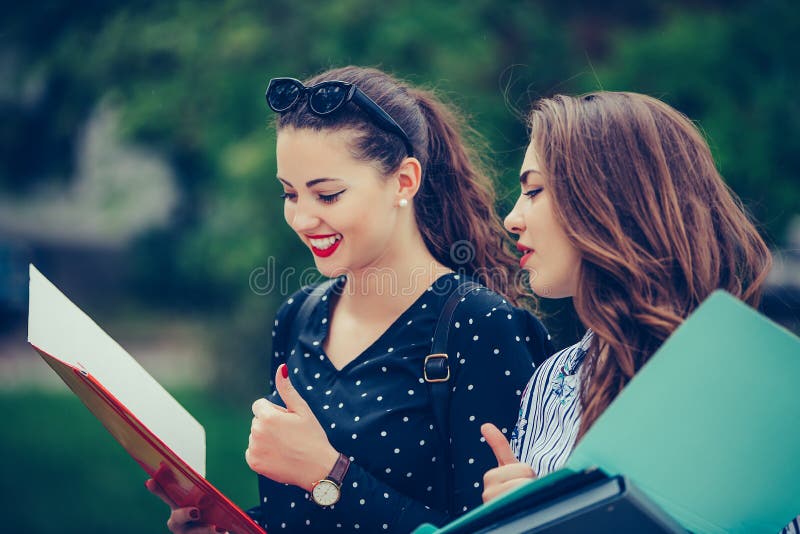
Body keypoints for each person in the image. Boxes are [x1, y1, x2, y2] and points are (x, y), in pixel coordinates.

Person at [147, 66, 554, 533]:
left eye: (327, 194)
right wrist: (228, 526)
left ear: (404, 182)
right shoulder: (298, 316)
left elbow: (493, 529)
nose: (302, 218)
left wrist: (328, 473)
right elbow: (298, 517)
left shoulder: (481, 326)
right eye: (290, 194)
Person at [477, 91, 796, 528]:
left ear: (610, 198)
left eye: (534, 190)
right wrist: (516, 512)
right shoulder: (551, 378)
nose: (512, 218)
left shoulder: (746, 381)